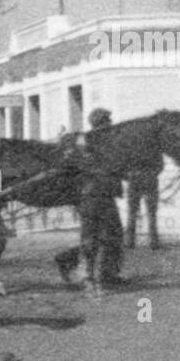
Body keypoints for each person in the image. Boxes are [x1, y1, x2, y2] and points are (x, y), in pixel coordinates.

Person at [55, 108, 125, 294]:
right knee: (91, 237)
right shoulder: (84, 141)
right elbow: (72, 162)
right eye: (106, 121)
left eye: (109, 120)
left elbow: (116, 167)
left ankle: (108, 273)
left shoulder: (109, 143)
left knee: (114, 234)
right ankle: (86, 276)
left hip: (106, 196)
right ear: (99, 123)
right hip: (90, 197)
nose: (109, 123)